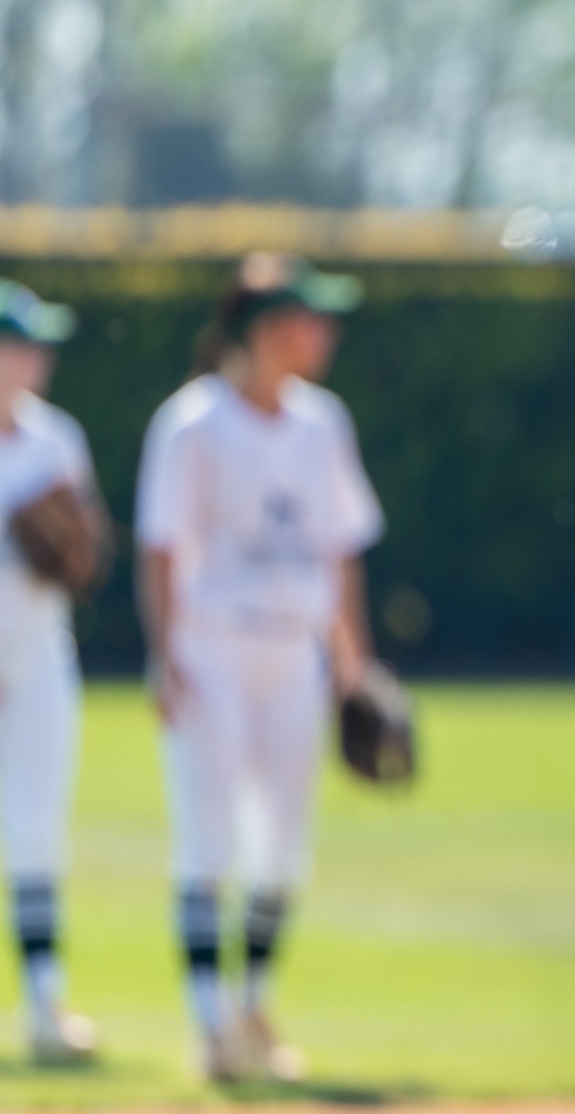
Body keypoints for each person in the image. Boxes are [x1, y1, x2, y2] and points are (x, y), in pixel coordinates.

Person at [135, 254, 383, 1083]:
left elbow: (341, 549)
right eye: (309, 316)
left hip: (293, 653)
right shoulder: (193, 423)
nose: (324, 332)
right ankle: (210, 1025)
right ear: (264, 327)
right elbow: (162, 548)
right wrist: (166, 656)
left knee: (282, 845)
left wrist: (355, 667)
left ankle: (254, 1005)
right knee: (207, 838)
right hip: (211, 646)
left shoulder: (323, 422)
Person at [0, 280, 101, 1065]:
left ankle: (44, 1005)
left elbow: (83, 553)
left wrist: (74, 546)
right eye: (21, 343)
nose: (35, 359)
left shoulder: (55, 437)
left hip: (37, 661)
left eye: (36, 345)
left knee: (37, 834)